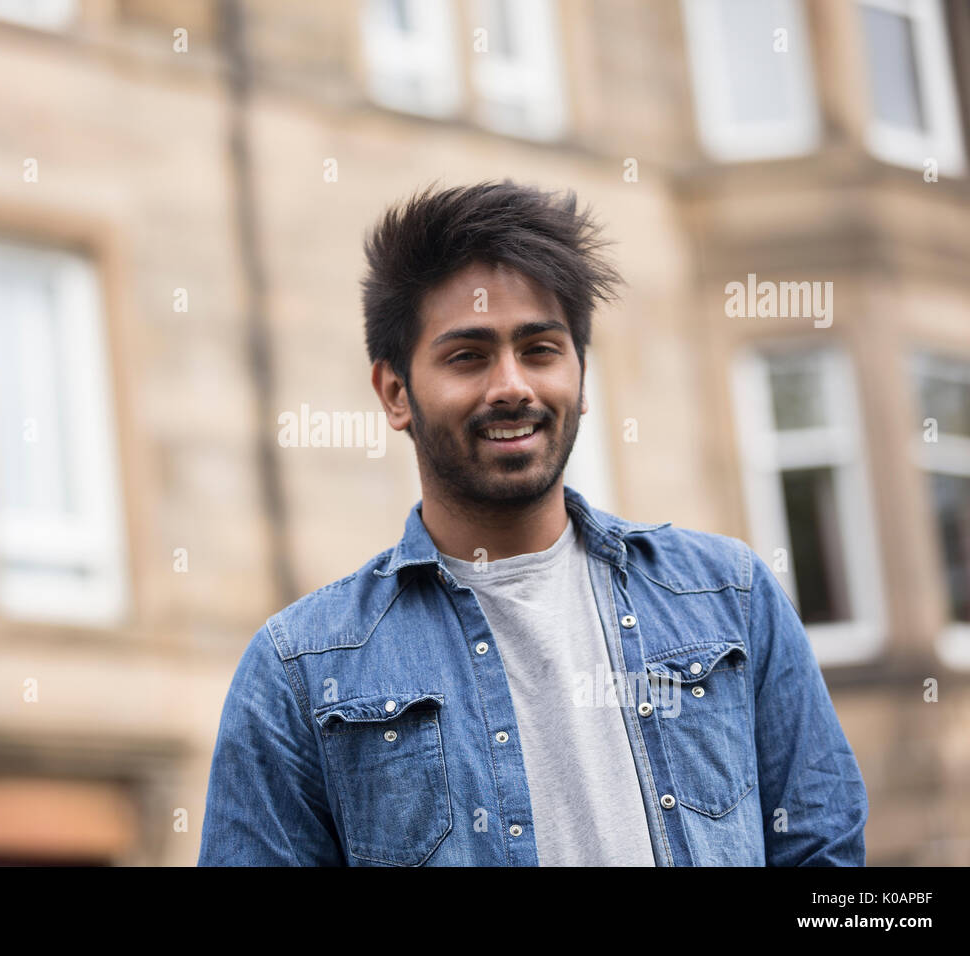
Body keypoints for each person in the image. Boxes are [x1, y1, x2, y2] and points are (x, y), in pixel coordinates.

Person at [197, 179, 868, 866]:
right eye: (469, 356)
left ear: (581, 375)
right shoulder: (300, 670)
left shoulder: (730, 598)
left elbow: (824, 850)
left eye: (541, 349)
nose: (512, 385)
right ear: (395, 392)